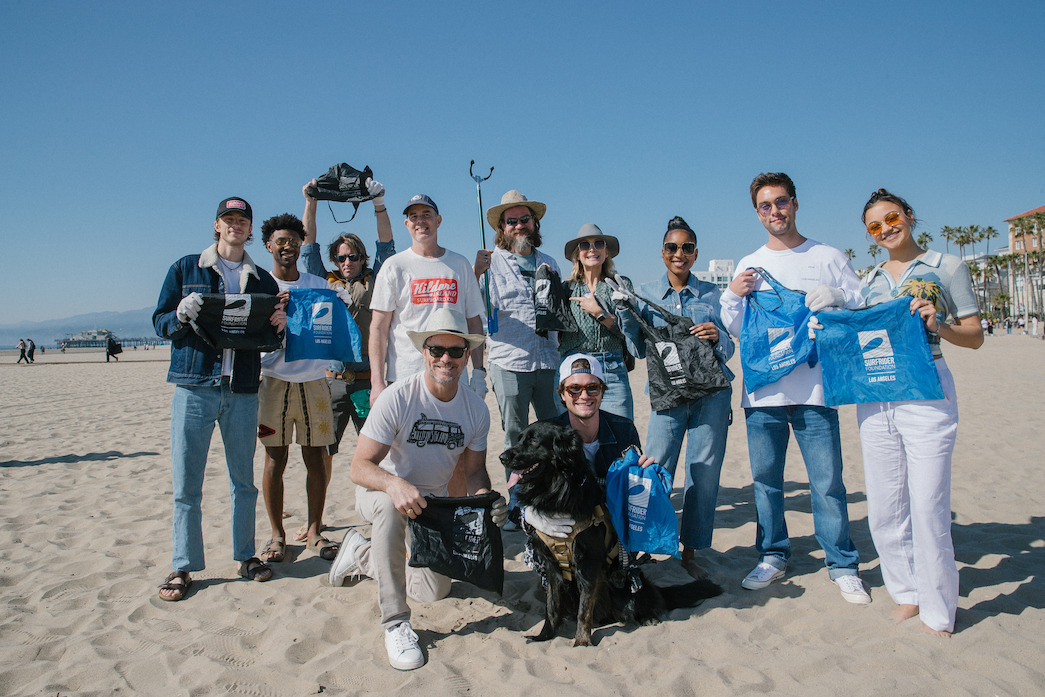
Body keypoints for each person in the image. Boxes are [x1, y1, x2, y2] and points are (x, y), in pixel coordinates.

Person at [719, 172, 870, 604]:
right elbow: (735, 330)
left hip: (815, 391)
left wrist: (838, 296)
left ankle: (841, 563)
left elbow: (860, 301)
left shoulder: (827, 256)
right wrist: (732, 294)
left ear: (796, 203)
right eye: (765, 206)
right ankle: (773, 555)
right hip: (763, 396)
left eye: (781, 202)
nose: (775, 212)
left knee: (827, 482)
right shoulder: (749, 263)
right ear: (757, 213)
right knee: (766, 481)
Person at [329, 308, 506, 671]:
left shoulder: (475, 409)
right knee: (391, 510)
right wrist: (395, 485)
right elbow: (359, 467)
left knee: (434, 591)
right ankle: (395, 623)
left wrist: (486, 501)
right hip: (382, 492)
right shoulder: (398, 397)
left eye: (456, 351)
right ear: (424, 352)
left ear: (466, 355)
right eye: (437, 349)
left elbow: (474, 473)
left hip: (432, 504)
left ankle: (362, 555)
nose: (446, 359)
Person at [851, 188, 982, 635]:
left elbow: (975, 334)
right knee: (885, 508)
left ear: (908, 216)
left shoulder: (947, 266)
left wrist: (937, 323)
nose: (886, 228)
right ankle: (906, 593)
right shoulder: (867, 282)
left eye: (892, 218)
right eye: (874, 225)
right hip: (876, 397)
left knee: (927, 506)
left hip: (927, 392)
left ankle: (939, 608)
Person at [152, 196, 285, 601]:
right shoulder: (185, 268)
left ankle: (246, 556)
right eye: (228, 219)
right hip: (194, 386)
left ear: (249, 228)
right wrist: (179, 314)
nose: (235, 226)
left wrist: (279, 327)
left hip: (243, 389)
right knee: (186, 484)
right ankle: (182, 565)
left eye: (242, 220)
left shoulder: (263, 280)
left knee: (242, 481)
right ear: (216, 225)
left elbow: (271, 339)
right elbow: (159, 323)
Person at [625, 216, 736, 580]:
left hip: (711, 396)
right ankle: (645, 545)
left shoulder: (714, 296)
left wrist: (718, 336)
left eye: (687, 248)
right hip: (667, 396)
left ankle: (691, 553)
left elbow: (732, 346)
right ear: (662, 253)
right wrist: (621, 315)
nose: (679, 254)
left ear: (695, 253)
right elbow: (637, 350)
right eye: (672, 247)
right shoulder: (645, 294)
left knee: (703, 475)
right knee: (655, 470)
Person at [300, 177, 394, 542]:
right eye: (341, 257)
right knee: (321, 455)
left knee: (379, 457)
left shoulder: (376, 279)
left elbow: (386, 245)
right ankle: (314, 523)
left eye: (353, 256)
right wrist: (311, 201)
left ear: (362, 259)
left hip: (369, 382)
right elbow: (308, 244)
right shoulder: (321, 280)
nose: (347, 262)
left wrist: (378, 203)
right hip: (331, 381)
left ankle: (385, 518)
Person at [473, 190, 563, 528]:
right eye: (512, 221)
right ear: (502, 227)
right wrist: (475, 272)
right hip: (508, 360)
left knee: (554, 432)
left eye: (524, 219)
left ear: (534, 223)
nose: (519, 226)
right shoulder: (488, 261)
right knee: (515, 434)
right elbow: (473, 309)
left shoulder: (549, 263)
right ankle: (517, 501)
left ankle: (552, 494)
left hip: (549, 361)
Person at [255, 213, 339, 565]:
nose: (287, 246)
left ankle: (315, 530)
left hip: (314, 381)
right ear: (268, 246)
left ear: (301, 244)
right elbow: (250, 337)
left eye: (293, 240)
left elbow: (328, 333)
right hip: (272, 381)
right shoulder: (257, 284)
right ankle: (277, 535)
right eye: (280, 241)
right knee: (276, 458)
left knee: (316, 457)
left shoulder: (317, 283)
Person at [369, 194, 486, 407]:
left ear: (438, 220)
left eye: (426, 214)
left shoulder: (459, 264)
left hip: (452, 374)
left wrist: (478, 371)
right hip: (404, 376)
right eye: (413, 216)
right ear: (406, 224)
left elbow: (474, 322)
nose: (420, 221)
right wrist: (377, 381)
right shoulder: (394, 266)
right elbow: (378, 328)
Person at [558, 224, 639, 421]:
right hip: (574, 370)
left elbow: (631, 332)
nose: (592, 249)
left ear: (606, 252)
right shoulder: (565, 289)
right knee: (575, 442)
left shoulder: (621, 285)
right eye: (585, 245)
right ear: (577, 254)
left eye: (598, 244)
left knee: (621, 434)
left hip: (611, 367)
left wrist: (600, 314)